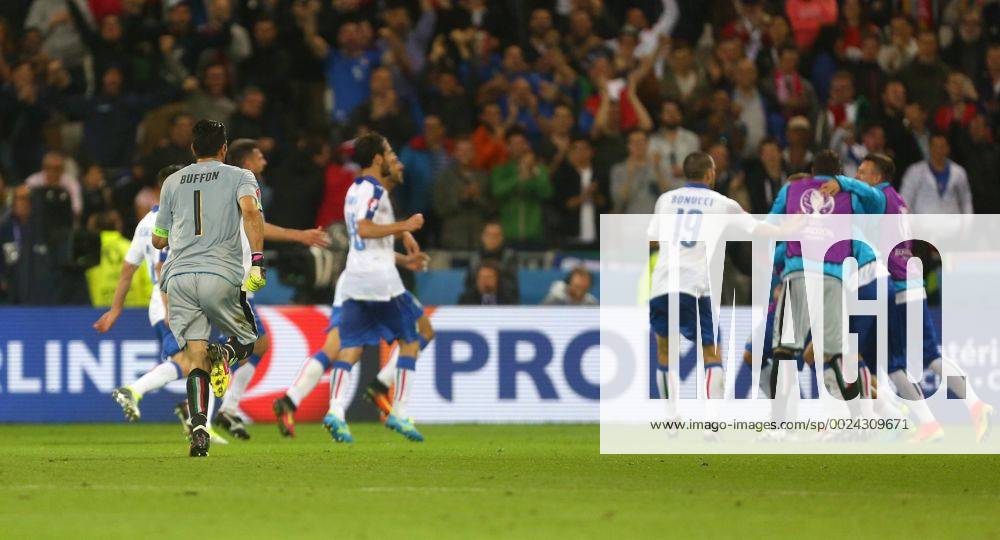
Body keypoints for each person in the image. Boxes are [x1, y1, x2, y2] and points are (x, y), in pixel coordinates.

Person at [826, 153, 993, 442]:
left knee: (925, 356)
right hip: (903, 283)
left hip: (901, 286)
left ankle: (973, 406)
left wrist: (841, 183)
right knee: (891, 359)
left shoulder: (879, 196)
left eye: (863, 172)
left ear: (877, 178)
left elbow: (863, 195)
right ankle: (916, 420)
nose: (859, 178)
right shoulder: (898, 200)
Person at [151, 120, 265, 457]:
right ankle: (226, 356)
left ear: (192, 149)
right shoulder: (240, 176)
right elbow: (250, 212)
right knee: (248, 340)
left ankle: (199, 429)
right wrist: (257, 260)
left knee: (195, 354)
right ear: (224, 148)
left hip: (179, 279)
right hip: (219, 273)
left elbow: (159, 240)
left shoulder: (171, 182)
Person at [308, 133, 427, 444]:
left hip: (359, 276)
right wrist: (405, 226)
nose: (391, 156)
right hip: (380, 280)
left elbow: (368, 237)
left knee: (352, 346)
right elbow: (363, 227)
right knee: (412, 339)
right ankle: (399, 413)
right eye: (388, 151)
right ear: (377, 158)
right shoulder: (374, 190)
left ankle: (335, 410)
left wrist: (401, 250)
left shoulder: (354, 189)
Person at [647, 151, 767, 421]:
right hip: (695, 285)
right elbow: (759, 228)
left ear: (684, 172)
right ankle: (712, 423)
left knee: (665, 352)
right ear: (710, 173)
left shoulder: (665, 200)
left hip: (662, 284)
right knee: (710, 352)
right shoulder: (722, 202)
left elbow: (651, 241)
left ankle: (670, 419)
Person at [490, 129, 552, 247]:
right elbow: (497, 192)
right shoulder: (500, 170)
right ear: (507, 147)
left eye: (521, 143)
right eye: (514, 144)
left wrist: (533, 173)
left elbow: (546, 192)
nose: (518, 147)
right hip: (508, 234)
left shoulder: (539, 169)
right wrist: (519, 177)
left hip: (534, 233)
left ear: (526, 145)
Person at [433, 137, 491, 250]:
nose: (465, 154)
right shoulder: (444, 178)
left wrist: (477, 197)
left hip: (479, 239)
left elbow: (492, 208)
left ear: (474, 153)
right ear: (455, 153)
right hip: (454, 239)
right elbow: (440, 209)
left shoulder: (484, 177)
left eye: (468, 150)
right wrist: (462, 197)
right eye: (461, 150)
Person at [552, 137, 607, 248]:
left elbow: (606, 204)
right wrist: (586, 194)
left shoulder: (600, 174)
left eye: (584, 149)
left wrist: (595, 194)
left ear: (591, 152)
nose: (581, 153)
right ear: (571, 152)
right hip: (571, 237)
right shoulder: (564, 175)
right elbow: (564, 205)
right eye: (576, 149)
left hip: (599, 237)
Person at [899, 134, 973, 214]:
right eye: (935, 146)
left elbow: (966, 200)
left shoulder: (959, 172)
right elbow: (905, 199)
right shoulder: (914, 172)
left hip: (952, 224)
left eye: (941, 147)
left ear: (948, 149)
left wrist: (967, 224)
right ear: (930, 148)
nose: (938, 150)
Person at [610, 130, 662, 214]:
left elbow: (667, 195)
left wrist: (657, 169)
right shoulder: (618, 169)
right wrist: (629, 176)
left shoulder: (657, 165)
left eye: (641, 142)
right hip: (630, 218)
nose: (638, 145)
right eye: (634, 142)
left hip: (654, 218)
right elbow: (618, 202)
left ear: (647, 143)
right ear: (628, 145)